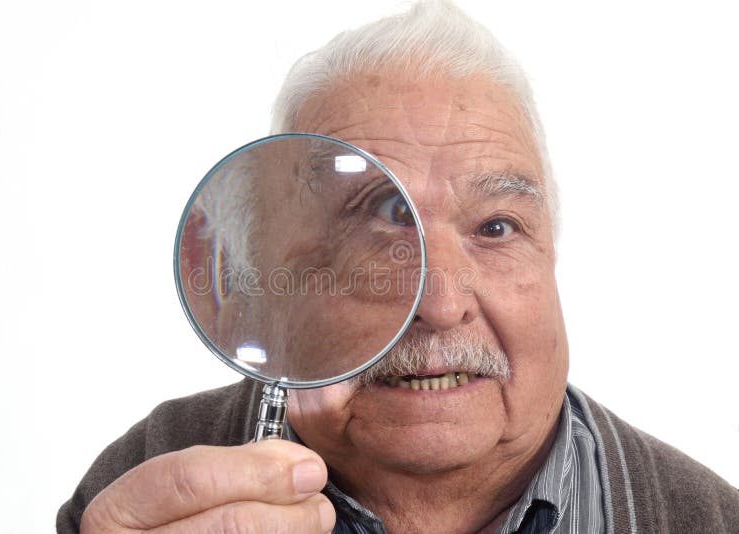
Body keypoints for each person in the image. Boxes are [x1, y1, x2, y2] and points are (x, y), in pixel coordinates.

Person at [57, 2, 739, 533]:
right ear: (273, 281)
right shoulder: (146, 485)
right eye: (381, 225)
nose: (440, 305)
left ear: (551, 256)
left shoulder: (713, 520)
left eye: (496, 227)